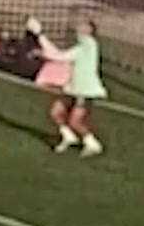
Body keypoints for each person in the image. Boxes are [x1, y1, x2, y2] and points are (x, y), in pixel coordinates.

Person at [37, 18, 107, 156]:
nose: (78, 29)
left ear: (90, 32)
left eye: (83, 27)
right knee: (55, 112)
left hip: (85, 91)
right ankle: (69, 136)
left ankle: (93, 144)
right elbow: (60, 56)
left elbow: (60, 57)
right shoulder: (81, 47)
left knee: (75, 121)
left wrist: (40, 37)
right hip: (72, 88)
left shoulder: (89, 45)